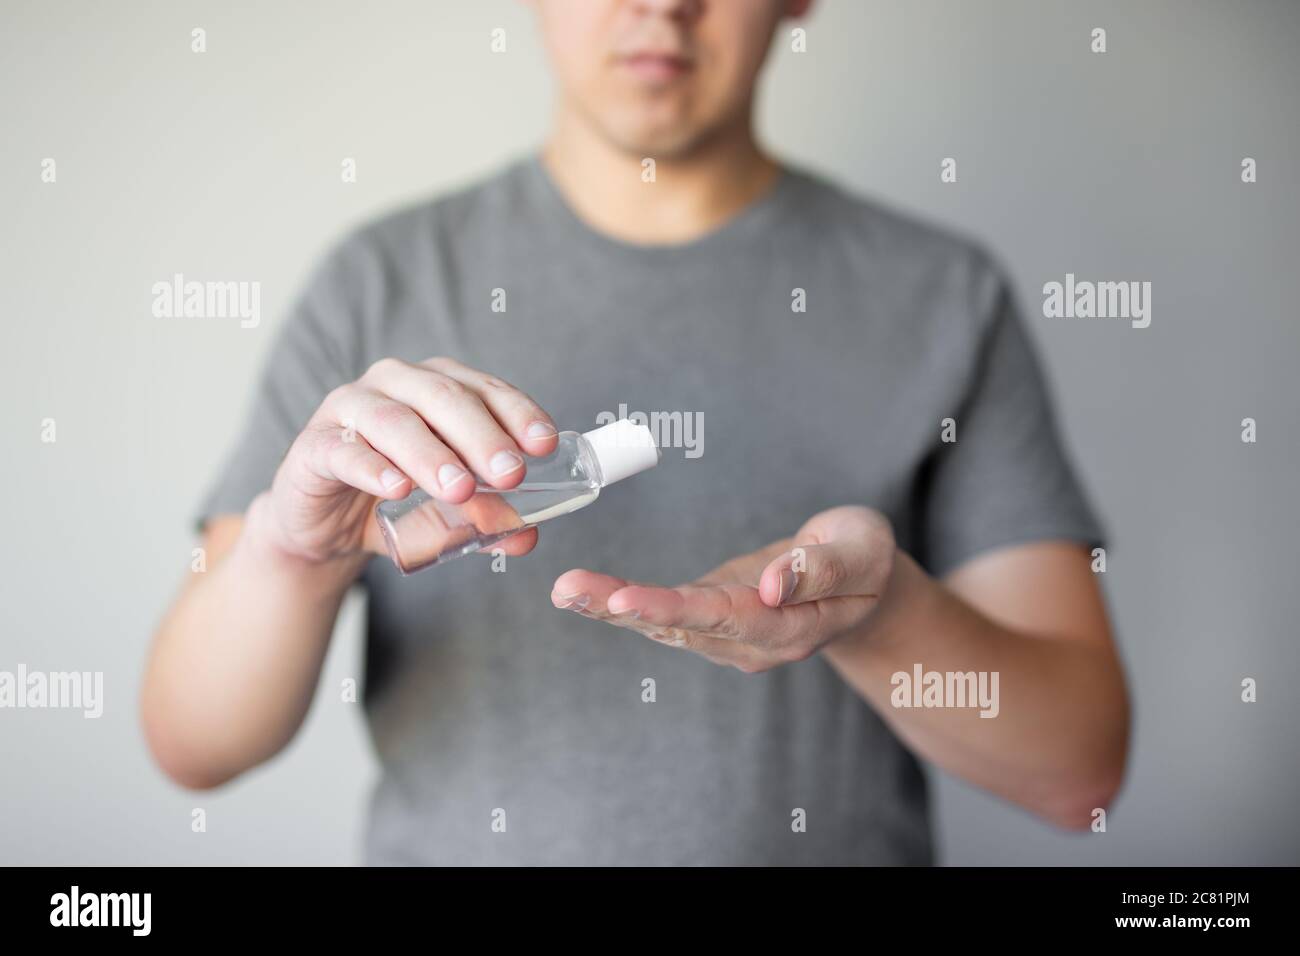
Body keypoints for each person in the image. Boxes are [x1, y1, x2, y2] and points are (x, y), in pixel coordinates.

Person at [142, 0, 1129, 865]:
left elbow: (1077, 771)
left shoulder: (941, 297)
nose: (662, 4)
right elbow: (192, 743)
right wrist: (293, 557)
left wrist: (879, 616)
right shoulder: (377, 286)